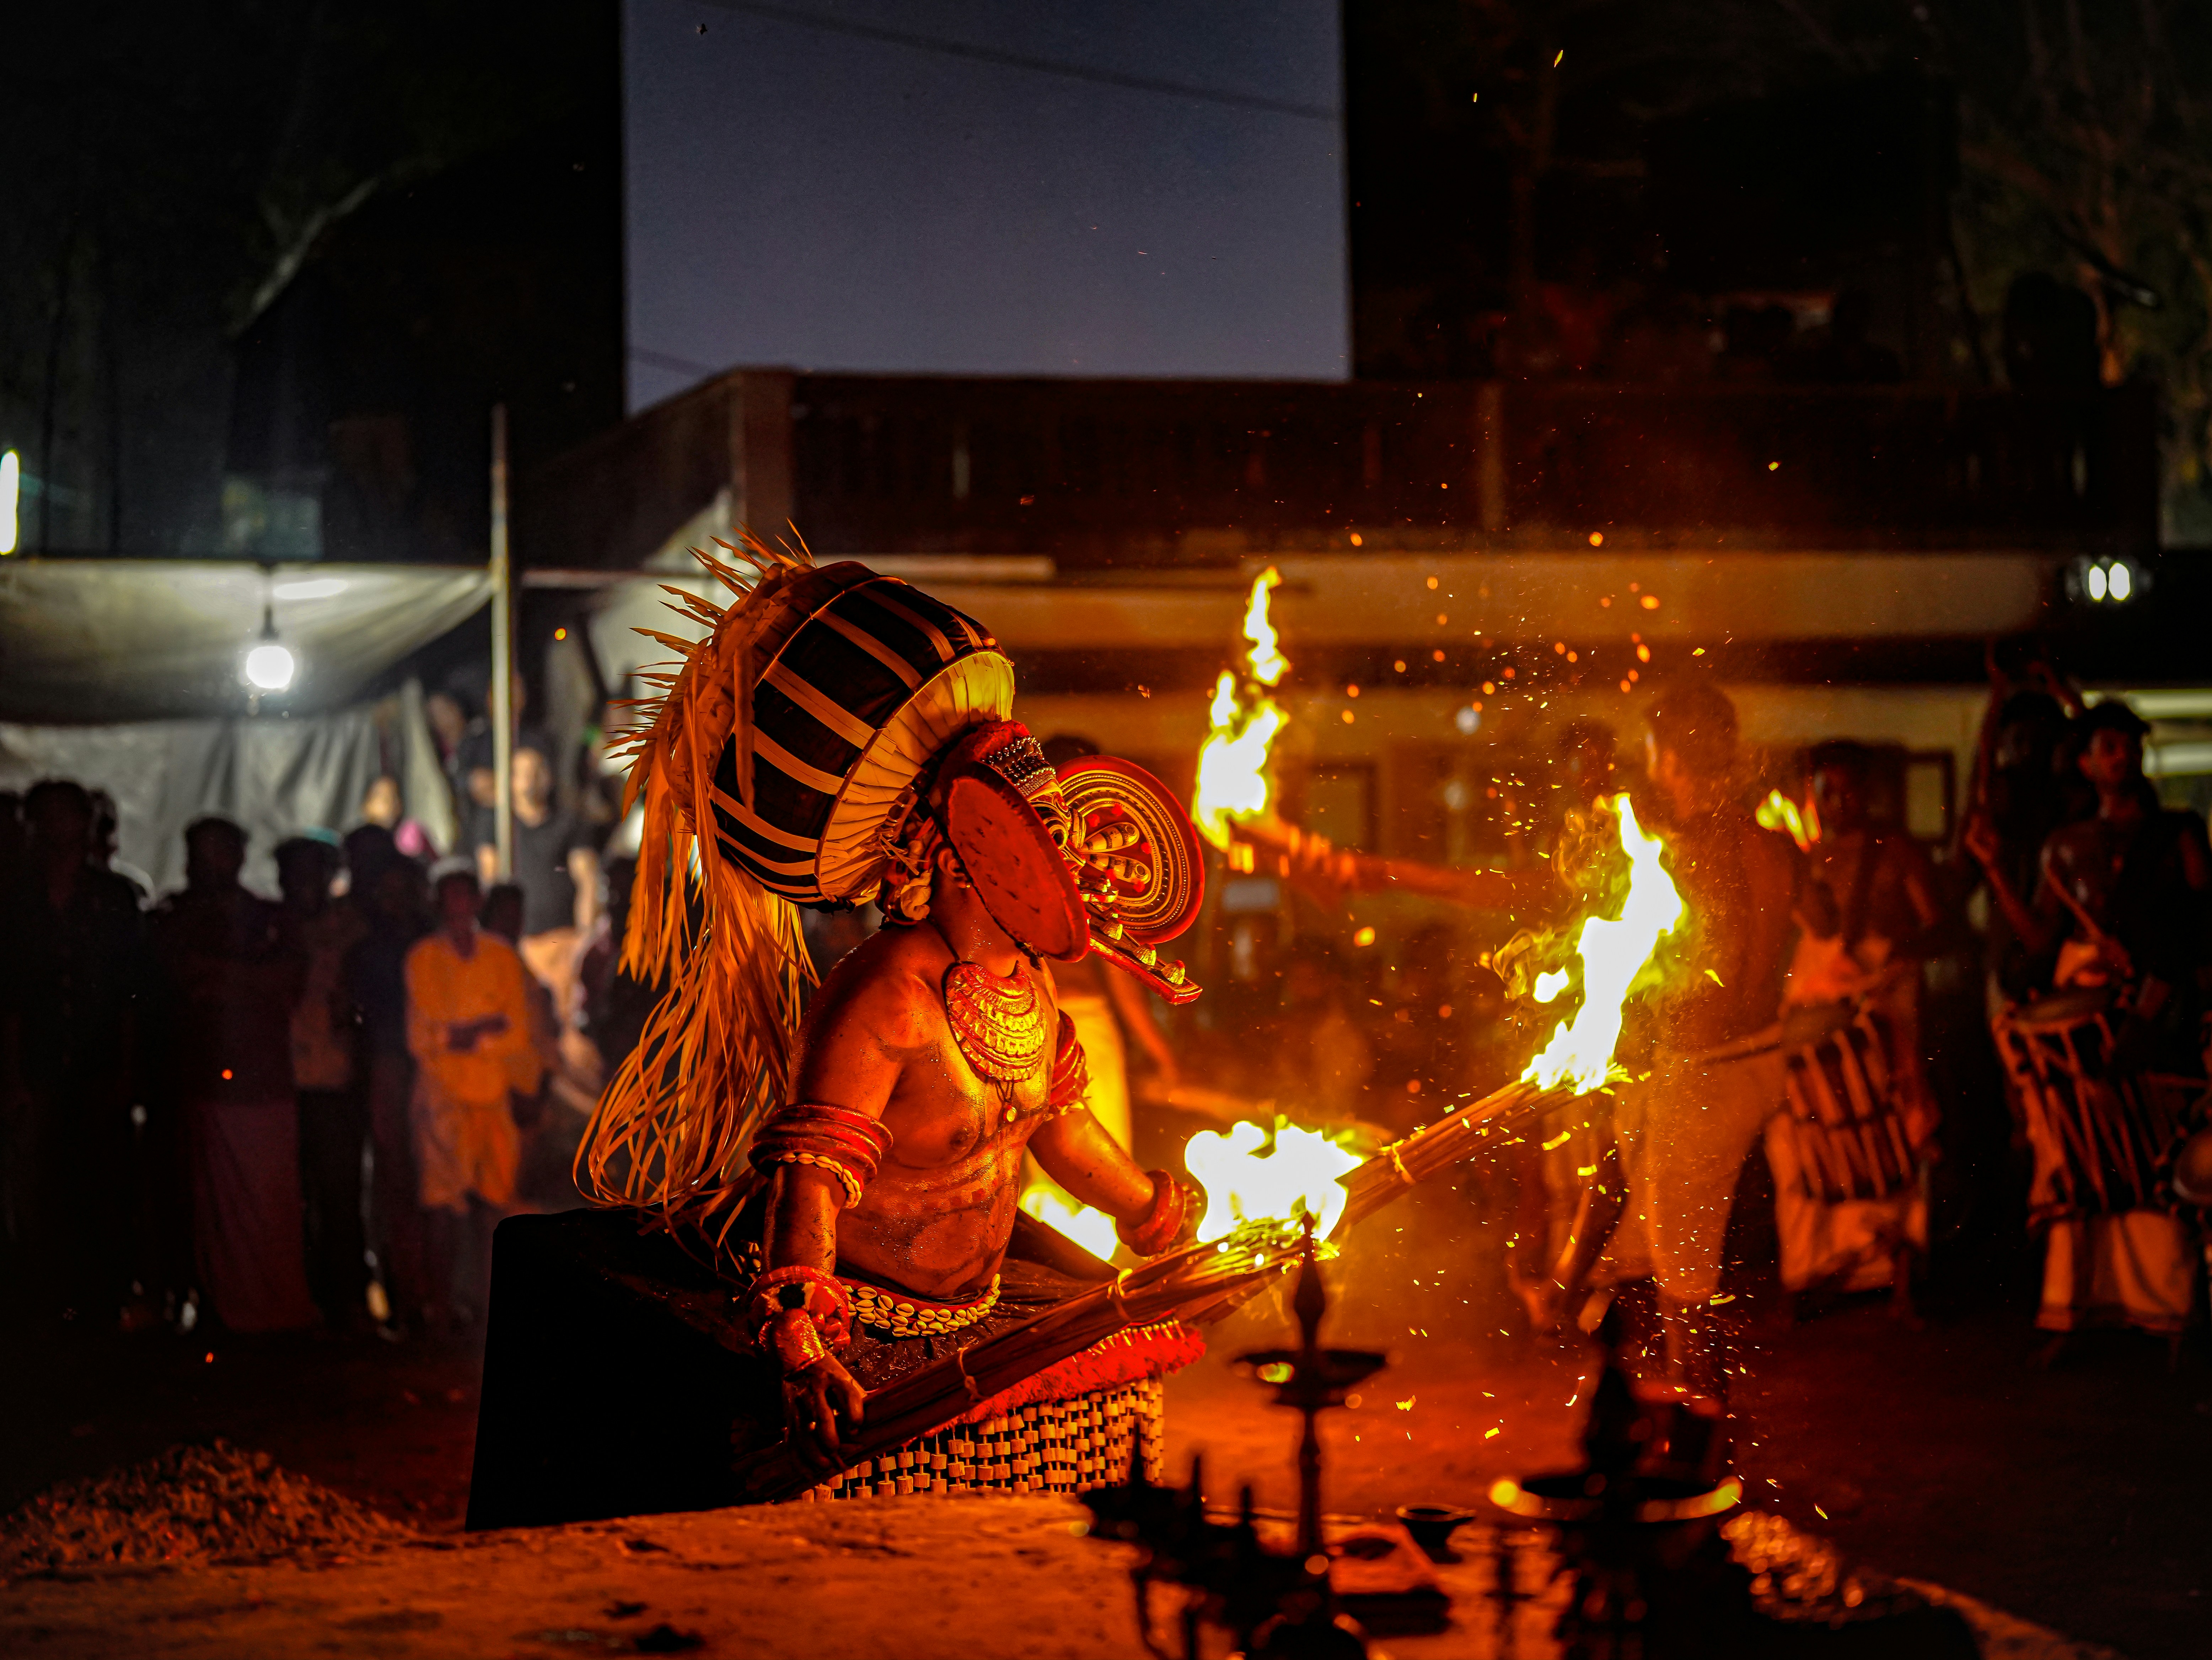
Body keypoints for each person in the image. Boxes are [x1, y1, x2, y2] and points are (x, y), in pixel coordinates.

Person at [508, 551, 1210, 1513]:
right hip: (865, 1308)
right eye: (1036, 841)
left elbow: (1061, 1131)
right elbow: (815, 1178)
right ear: (965, 854)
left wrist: (1160, 1217)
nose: (1071, 863)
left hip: (978, 1301)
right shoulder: (886, 995)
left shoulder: (1030, 986)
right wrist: (803, 1336)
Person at [1524, 684, 1801, 1394]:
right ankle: (1569, 1284)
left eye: (1653, 753)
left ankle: (1700, 1450)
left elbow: (1707, 972)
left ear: (1675, 757)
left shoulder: (1687, 854)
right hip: (1751, 1058)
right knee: (1625, 1151)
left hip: (1706, 1073)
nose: (1645, 768)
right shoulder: (1770, 842)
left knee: (1686, 1288)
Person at [1967, 699, 2210, 1350]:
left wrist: (2154, 971)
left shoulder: (2178, 833)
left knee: (2153, 1158)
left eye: (2127, 745)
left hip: (2151, 1015)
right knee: (2078, 1160)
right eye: (2104, 746)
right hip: (2082, 1020)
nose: (2119, 755)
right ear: (2083, 763)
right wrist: (1993, 868)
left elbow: (2199, 924)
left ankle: (2167, 1313)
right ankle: (2073, 1310)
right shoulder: (2064, 846)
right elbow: (2042, 939)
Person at [1768, 742, 1945, 1307]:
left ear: (1867, 792)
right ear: (1812, 796)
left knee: (1894, 1128)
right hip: (1814, 1009)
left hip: (1882, 1004)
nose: (1839, 802)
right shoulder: (1805, 856)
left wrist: (1889, 960)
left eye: (1849, 791)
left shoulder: (1896, 852)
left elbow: (1941, 927)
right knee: (1801, 1135)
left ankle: (1901, 1263)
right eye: (1828, 792)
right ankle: (1817, 1267)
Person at [150, 817, 318, 1333]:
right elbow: (180, 974)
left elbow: (286, 979)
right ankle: (219, 1305)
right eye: (206, 852)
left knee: (268, 1198)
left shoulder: (269, 916)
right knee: (211, 1202)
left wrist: (220, 976)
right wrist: (249, 979)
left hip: (264, 1077)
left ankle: (268, 1306)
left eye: (224, 850)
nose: (215, 862)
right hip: (202, 1077)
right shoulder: (176, 917)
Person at [0, 781, 146, 1322]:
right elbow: (10, 996)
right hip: (41, 1063)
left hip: (96, 1060)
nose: (61, 829)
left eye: (70, 817)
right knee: (41, 1183)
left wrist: (127, 1070)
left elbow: (132, 993)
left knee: (99, 1178)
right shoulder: (18, 901)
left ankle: (100, 1295)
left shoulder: (113, 900)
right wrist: (12, 1074)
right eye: (51, 818)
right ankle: (46, 1296)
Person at [406, 862, 542, 1324]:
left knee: (495, 1207)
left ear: (477, 902)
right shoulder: (423, 959)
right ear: (439, 903)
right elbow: (420, 1039)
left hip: (491, 1096)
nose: (459, 906)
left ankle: (491, 1307)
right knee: (443, 1206)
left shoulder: (501, 958)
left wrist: (459, 1036)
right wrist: (480, 1028)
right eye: (451, 897)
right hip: (441, 1098)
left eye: (466, 896)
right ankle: (440, 1307)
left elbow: (517, 1035)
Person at [275, 835, 371, 1327]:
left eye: (312, 873)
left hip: (334, 1076)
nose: (303, 884)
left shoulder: (350, 928)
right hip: (281, 1079)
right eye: (295, 874)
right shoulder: (273, 928)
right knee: (292, 1195)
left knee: (339, 1192)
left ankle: (346, 1298)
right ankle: (304, 1298)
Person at [346, 840, 432, 1328]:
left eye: (405, 891)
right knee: (398, 1180)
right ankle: (405, 1296)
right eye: (389, 892)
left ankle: (431, 1292)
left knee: (434, 1181)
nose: (396, 901)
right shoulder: (369, 950)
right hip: (390, 1068)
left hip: (431, 1071)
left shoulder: (432, 940)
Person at [476, 742, 600, 1061]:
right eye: (521, 773)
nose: (529, 781)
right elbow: (489, 879)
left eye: (536, 772)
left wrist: (585, 939)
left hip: (565, 945)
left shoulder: (569, 823)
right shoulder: (498, 826)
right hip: (522, 948)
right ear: (510, 780)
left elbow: (587, 880)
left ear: (549, 778)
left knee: (571, 1032)